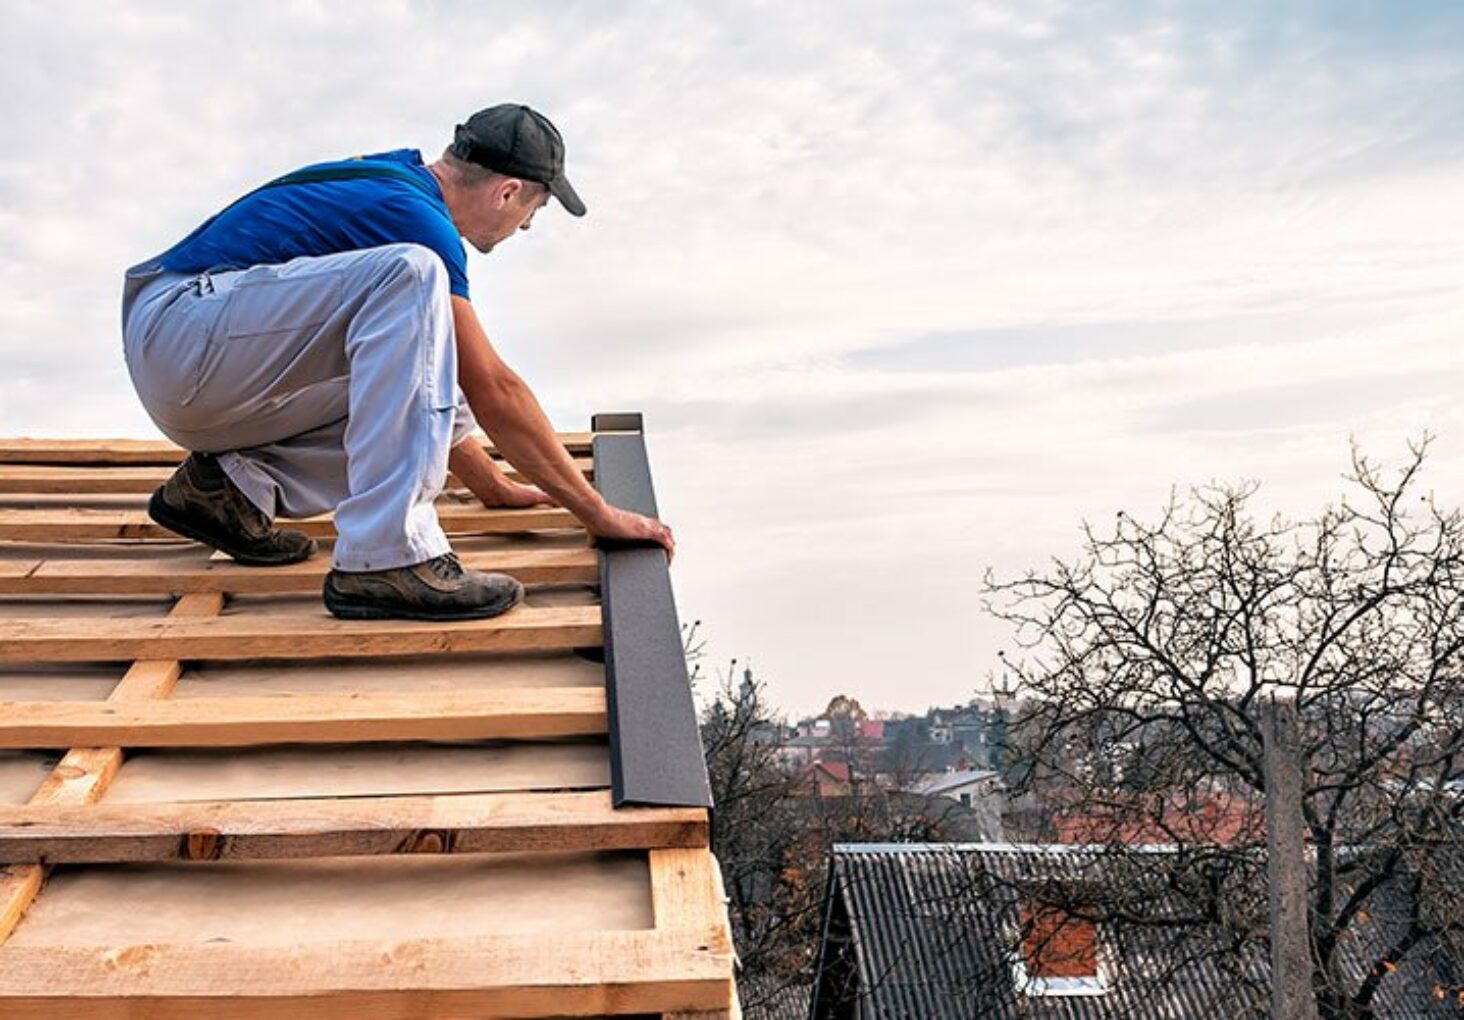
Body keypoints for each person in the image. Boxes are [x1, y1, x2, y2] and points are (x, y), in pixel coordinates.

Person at [120, 103, 673, 621]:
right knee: (413, 274)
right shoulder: (417, 220)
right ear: (508, 193)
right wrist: (597, 512)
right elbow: (494, 389)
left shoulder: (401, 184)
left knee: (424, 340)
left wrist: (493, 486)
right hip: (182, 329)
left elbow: (427, 382)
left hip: (195, 354)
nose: (526, 226)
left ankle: (228, 490)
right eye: (535, 209)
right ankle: (387, 556)